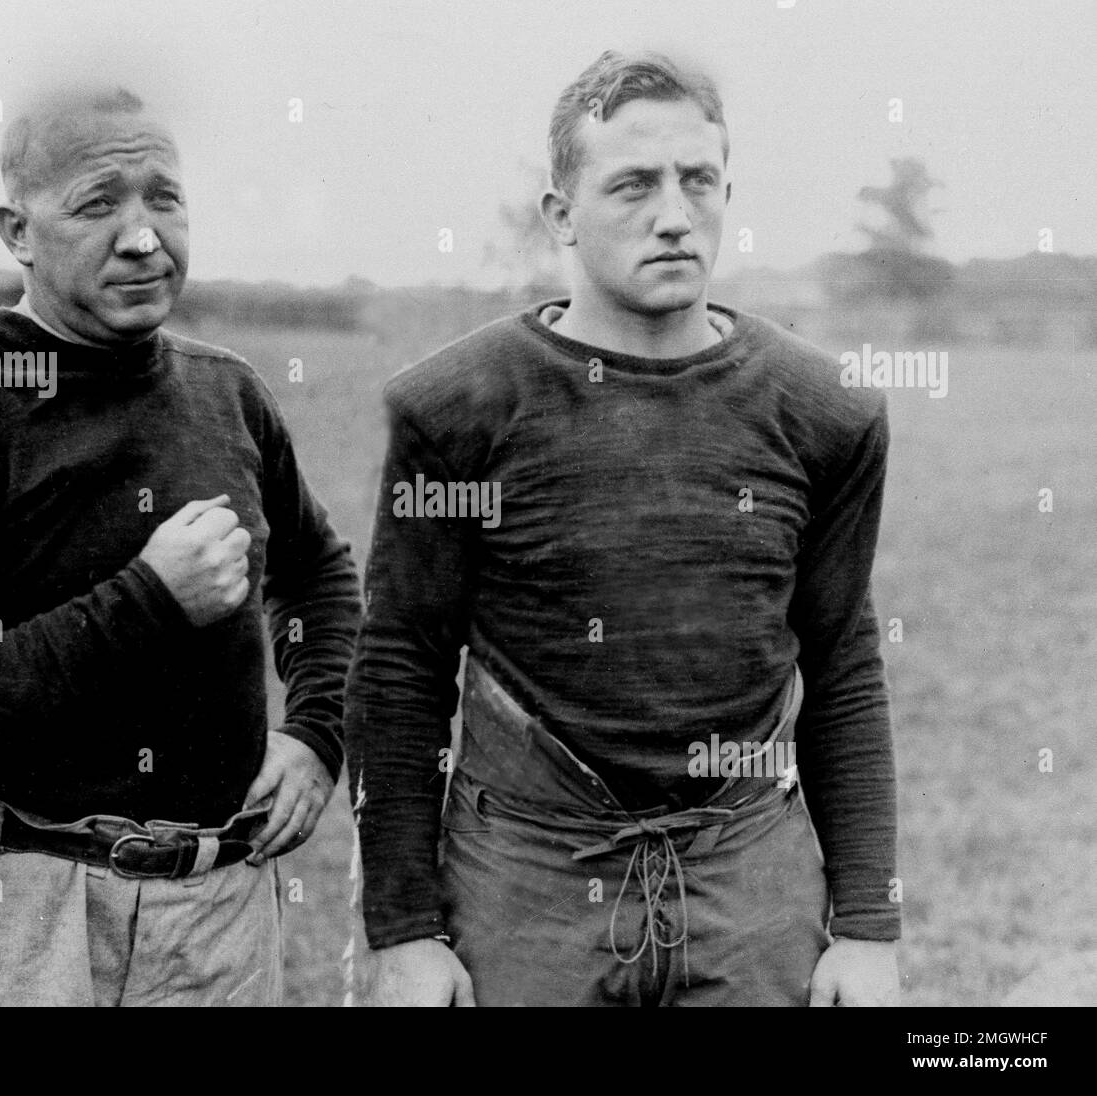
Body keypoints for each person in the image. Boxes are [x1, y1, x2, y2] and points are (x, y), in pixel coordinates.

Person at [346, 50, 901, 1007]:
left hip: (747, 878)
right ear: (561, 214)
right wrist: (404, 933)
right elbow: (401, 665)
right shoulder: (456, 409)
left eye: (700, 180)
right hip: (528, 882)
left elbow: (843, 655)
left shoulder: (827, 411)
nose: (675, 215)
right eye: (634, 184)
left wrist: (867, 930)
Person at [0, 85, 361, 1006]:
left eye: (165, 197)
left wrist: (316, 732)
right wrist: (146, 604)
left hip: (216, 923)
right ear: (17, 230)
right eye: (97, 203)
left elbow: (319, 573)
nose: (145, 236)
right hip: (8, 913)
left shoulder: (227, 393)